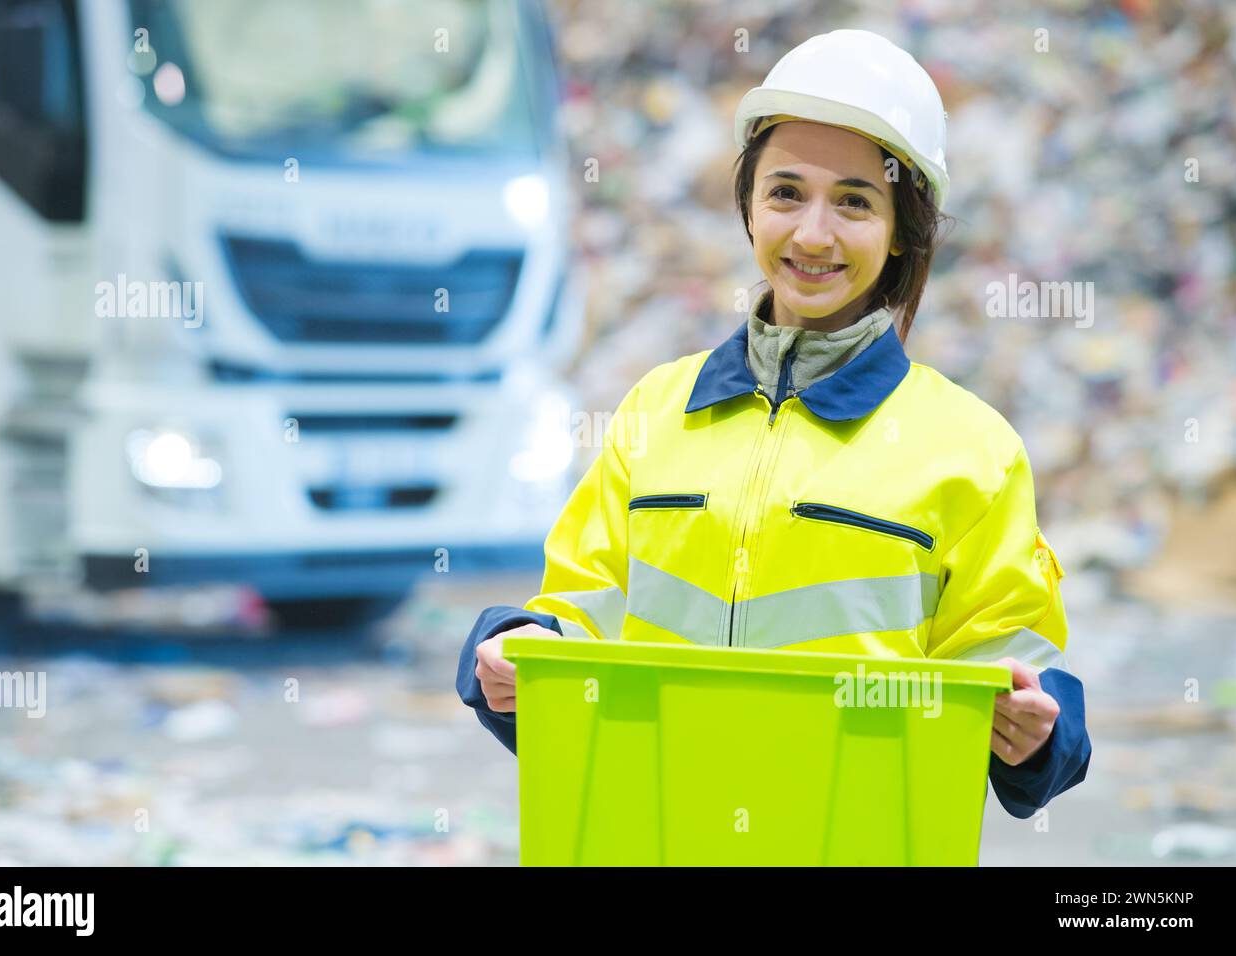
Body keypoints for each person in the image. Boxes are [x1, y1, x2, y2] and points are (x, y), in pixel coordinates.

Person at [456, 29, 1090, 820]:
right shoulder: (658, 409)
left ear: (904, 228)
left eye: (855, 201)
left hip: (855, 838)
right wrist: (518, 648)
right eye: (785, 192)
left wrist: (1038, 737)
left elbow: (1020, 678)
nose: (813, 234)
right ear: (749, 207)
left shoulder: (972, 450)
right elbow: (579, 618)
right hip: (660, 828)